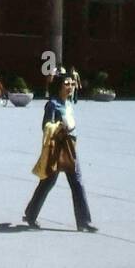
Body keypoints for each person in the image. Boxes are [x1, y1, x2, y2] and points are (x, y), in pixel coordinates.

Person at [24, 72, 97, 232]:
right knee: (48, 182)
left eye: (72, 84)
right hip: (57, 147)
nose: (70, 87)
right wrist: (59, 126)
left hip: (70, 147)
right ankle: (30, 214)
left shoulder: (69, 104)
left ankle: (84, 221)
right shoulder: (52, 104)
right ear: (59, 86)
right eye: (67, 84)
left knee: (77, 182)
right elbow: (46, 126)